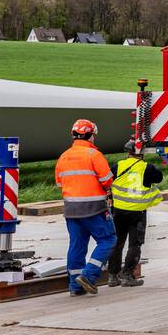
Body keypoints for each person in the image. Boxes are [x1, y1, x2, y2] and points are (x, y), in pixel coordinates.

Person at [55, 118, 117, 296]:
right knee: (108, 240)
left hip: (71, 210)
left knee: (77, 246)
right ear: (89, 136)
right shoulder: (94, 155)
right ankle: (88, 276)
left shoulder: (63, 156)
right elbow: (107, 181)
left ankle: (75, 287)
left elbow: (60, 184)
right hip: (94, 209)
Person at [106, 137, 163, 287]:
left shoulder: (117, 166)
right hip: (137, 212)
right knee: (134, 244)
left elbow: (106, 181)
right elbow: (159, 178)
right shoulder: (147, 168)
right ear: (141, 153)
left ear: (128, 153)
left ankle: (112, 277)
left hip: (118, 211)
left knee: (117, 243)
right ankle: (127, 276)